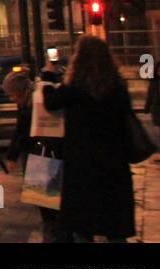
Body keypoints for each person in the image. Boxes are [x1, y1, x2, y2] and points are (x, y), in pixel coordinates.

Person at [43, 36, 136, 242]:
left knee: (83, 227)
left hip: (82, 163)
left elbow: (51, 102)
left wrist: (48, 76)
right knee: (115, 226)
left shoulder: (76, 87)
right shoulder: (117, 86)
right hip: (113, 161)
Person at [5, 67, 69, 242]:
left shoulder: (37, 101)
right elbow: (20, 130)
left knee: (48, 207)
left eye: (13, 94)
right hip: (39, 154)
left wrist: (14, 154)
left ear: (21, 91)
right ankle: (52, 235)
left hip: (45, 155)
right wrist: (12, 155)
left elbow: (22, 131)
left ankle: (54, 237)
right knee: (45, 206)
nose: (12, 99)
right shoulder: (27, 103)